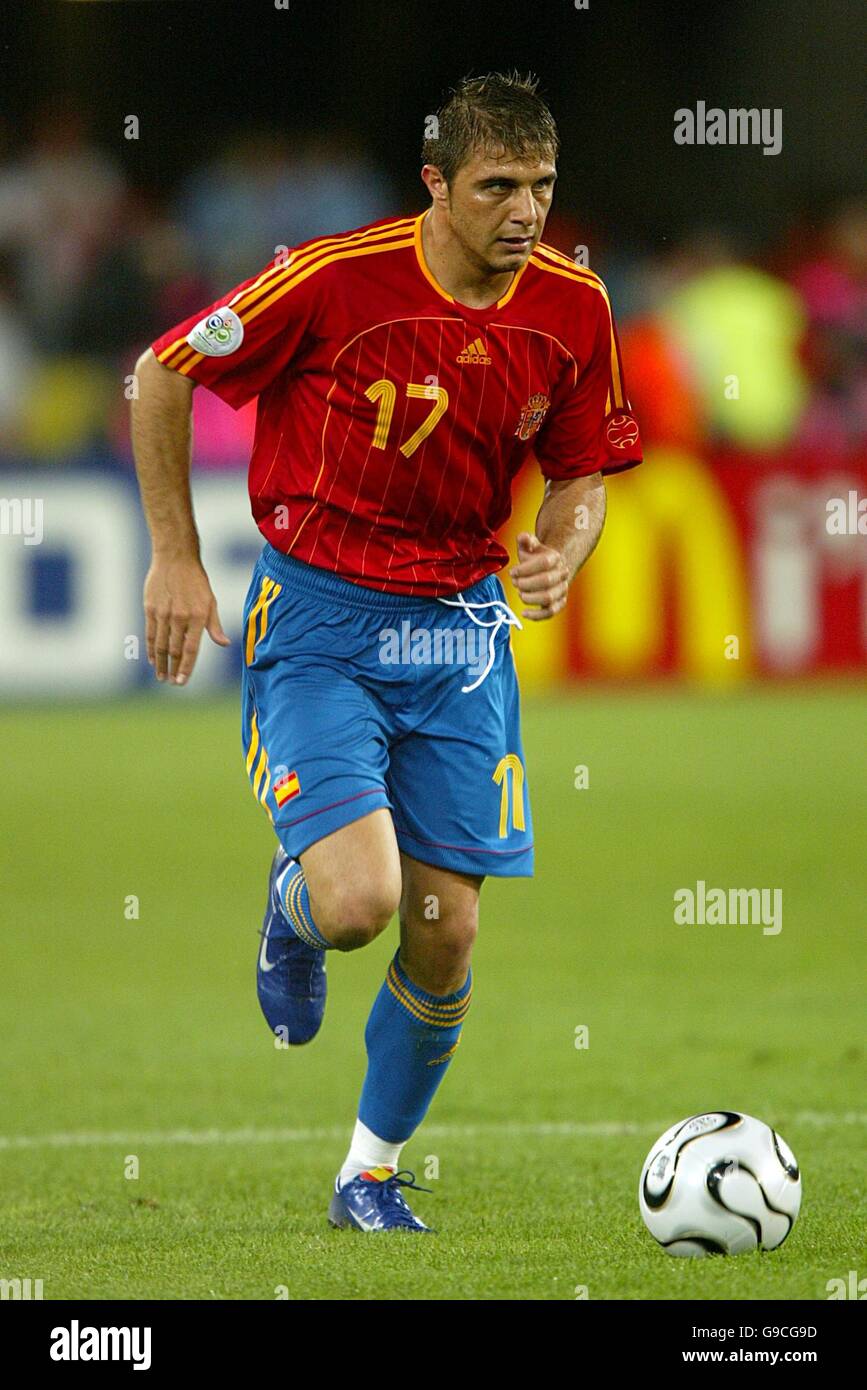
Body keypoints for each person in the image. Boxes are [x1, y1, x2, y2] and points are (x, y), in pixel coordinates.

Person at [130, 72, 642, 1233]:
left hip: (460, 631)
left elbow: (582, 473)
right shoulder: (330, 277)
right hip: (320, 619)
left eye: (543, 186)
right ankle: (295, 905)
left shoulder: (575, 305)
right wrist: (174, 553)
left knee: (446, 929)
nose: (526, 211)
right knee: (360, 902)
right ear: (436, 187)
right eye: (498, 186)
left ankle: (367, 1171)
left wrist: (561, 547)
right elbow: (165, 371)